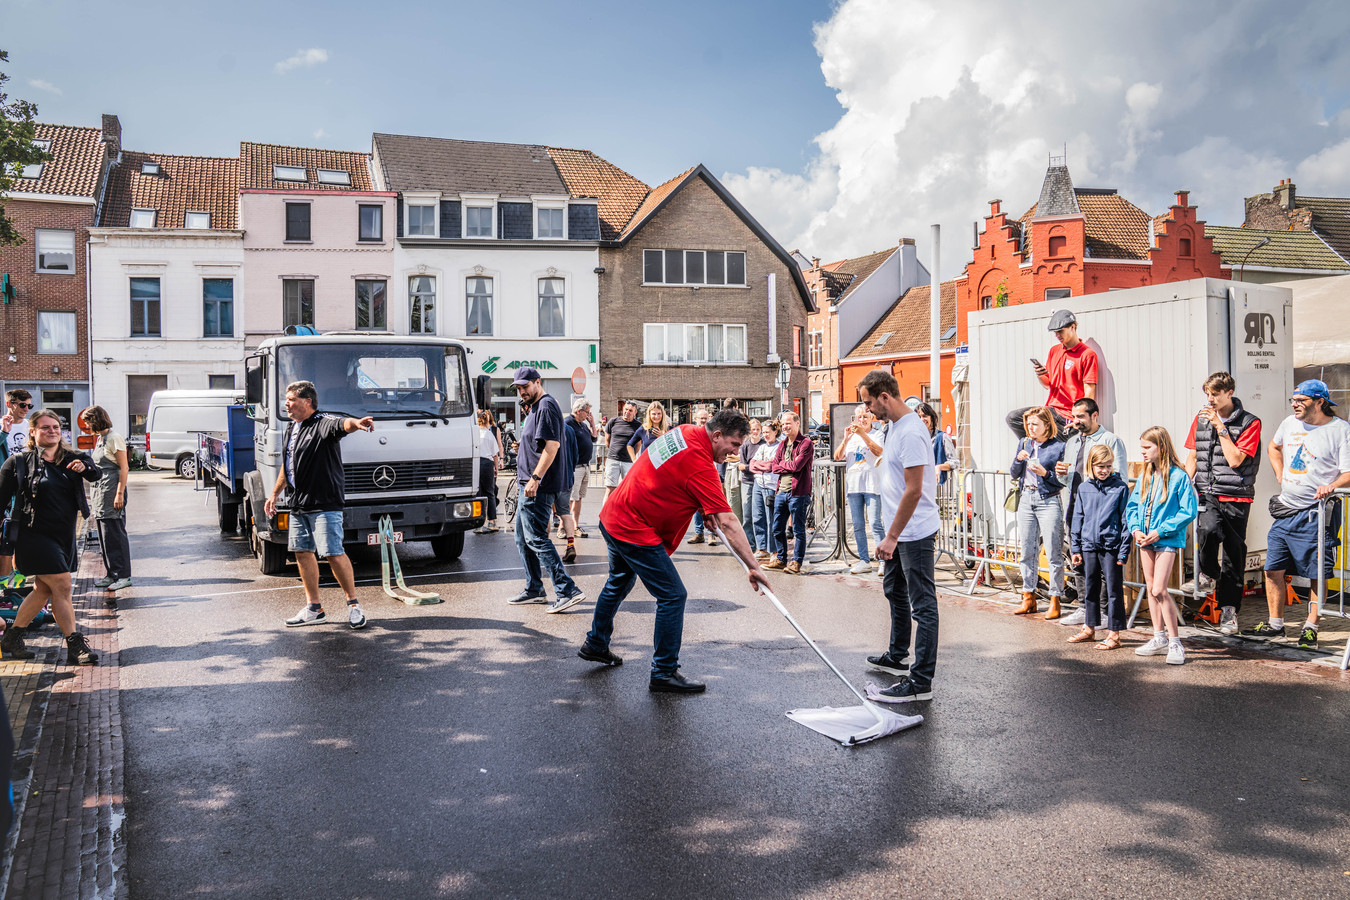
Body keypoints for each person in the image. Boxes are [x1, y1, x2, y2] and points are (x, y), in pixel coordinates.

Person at [578, 408, 769, 693]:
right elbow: (728, 520)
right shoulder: (700, 461)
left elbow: (672, 473)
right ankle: (664, 671)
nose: (734, 452)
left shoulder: (685, 431)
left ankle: (596, 642)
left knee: (619, 581)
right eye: (734, 445)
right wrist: (753, 565)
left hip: (616, 514)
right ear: (717, 436)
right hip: (633, 527)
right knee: (672, 594)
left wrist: (704, 505)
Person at [1242, 380, 1350, 650]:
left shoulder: (1339, 430)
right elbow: (1273, 447)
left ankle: (1311, 627)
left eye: (1301, 400)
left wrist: (1332, 485)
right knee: (1271, 569)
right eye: (1293, 399)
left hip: (1317, 514)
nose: (1294, 404)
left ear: (1320, 401)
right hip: (1286, 509)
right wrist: (1279, 473)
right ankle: (1276, 626)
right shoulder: (1289, 423)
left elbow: (1348, 472)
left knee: (1317, 574)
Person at [857, 370, 940, 702]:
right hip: (898, 530)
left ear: (885, 397)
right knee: (894, 590)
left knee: (923, 605)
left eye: (869, 403)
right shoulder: (892, 428)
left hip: (913, 531)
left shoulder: (910, 432)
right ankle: (897, 654)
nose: (869, 411)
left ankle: (920, 682)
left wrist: (890, 536)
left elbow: (914, 490)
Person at [265, 381, 374, 629]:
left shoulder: (323, 423)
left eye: (291, 398)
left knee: (333, 553)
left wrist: (356, 423)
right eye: (286, 398)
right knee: (302, 553)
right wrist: (274, 494)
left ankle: (354, 605)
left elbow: (342, 425)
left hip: (325, 503)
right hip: (298, 504)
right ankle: (314, 608)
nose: (287, 403)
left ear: (307, 401)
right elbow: (288, 465)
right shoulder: (291, 428)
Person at [0, 409, 102, 664]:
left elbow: (95, 473)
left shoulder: (73, 458)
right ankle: (75, 645)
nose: (52, 431)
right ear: (33, 432)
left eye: (55, 427)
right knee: (63, 585)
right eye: (45, 427)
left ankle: (12, 637)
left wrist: (85, 465)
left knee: (44, 589)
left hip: (64, 535)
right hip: (32, 535)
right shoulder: (19, 462)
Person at [1182, 372, 1261, 636]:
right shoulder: (1201, 419)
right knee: (1207, 531)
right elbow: (1192, 455)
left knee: (1234, 554)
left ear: (1230, 392)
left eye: (1215, 394)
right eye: (1207, 394)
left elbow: (1236, 459)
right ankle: (1208, 573)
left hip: (1237, 494)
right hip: (1209, 491)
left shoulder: (1250, 422)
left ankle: (1229, 610)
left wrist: (1221, 427)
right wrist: (1182, 484)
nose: (1210, 399)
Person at [507, 367, 586, 614]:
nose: (522, 392)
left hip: (537, 487)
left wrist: (535, 478)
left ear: (537, 383)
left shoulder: (546, 406)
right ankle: (534, 589)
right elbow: (541, 443)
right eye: (518, 388)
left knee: (536, 538)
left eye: (525, 387)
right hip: (527, 484)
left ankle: (567, 589)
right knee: (522, 538)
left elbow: (552, 446)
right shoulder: (534, 409)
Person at [1126, 426, 1198, 665]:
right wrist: (1136, 529)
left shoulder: (1178, 475)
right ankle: (1158, 638)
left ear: (1161, 446)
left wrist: (1160, 531)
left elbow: (1188, 511)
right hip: (1145, 539)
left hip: (1165, 539)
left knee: (1159, 589)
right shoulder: (1147, 474)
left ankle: (1175, 641)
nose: (1143, 452)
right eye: (1142, 448)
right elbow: (1133, 506)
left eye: (1147, 447)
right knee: (1150, 587)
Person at [1054, 397, 1128, 627]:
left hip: (1102, 509)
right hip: (1076, 502)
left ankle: (1104, 612)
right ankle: (1085, 609)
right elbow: (1067, 479)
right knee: (1079, 559)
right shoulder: (1072, 442)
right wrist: (1060, 473)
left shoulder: (1111, 440)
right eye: (1074, 417)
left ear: (1095, 415)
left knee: (1104, 566)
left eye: (1080, 417)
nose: (1075, 421)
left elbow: (1121, 476)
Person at [1068, 445, 1131, 649]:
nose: (1104, 470)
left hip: (1111, 546)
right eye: (1100, 466)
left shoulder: (1120, 488)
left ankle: (1114, 634)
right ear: (1091, 466)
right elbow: (1077, 518)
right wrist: (1075, 548)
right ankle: (1089, 628)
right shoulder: (1084, 488)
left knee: (1113, 591)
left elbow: (1125, 521)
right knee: (1090, 587)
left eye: (1108, 466)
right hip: (1088, 545)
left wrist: (1123, 550)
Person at [1009, 407, 1068, 619]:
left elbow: (1062, 480)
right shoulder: (1024, 443)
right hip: (1026, 498)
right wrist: (1018, 459)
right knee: (1027, 549)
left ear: (1046, 425)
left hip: (1049, 499)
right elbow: (1014, 473)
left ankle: (1055, 598)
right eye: (1028, 424)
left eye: (1035, 424)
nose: (1030, 428)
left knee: (1053, 551)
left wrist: (1046, 473)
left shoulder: (1059, 447)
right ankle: (1028, 596)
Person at [1007, 309, 1098, 439]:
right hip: (1051, 411)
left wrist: (1081, 418)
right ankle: (1032, 449)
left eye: (1060, 331)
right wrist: (1040, 374)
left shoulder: (1087, 354)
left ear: (1072, 327)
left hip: (1069, 415)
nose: (1057, 335)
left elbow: (1089, 391)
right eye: (1055, 332)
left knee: (1065, 453)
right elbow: (1048, 384)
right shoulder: (1054, 351)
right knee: (1014, 418)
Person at [83, 406, 133, 591]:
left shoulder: (114, 438)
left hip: (112, 492)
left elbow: (124, 468)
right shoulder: (100, 439)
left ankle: (123, 575)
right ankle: (111, 574)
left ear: (95, 420)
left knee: (115, 534)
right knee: (105, 536)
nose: (86, 425)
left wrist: (119, 493)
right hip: (100, 492)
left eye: (88, 421)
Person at [834, 404, 884, 575]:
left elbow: (879, 452)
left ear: (871, 419)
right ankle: (864, 560)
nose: (862, 420)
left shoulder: (877, 434)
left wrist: (863, 435)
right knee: (857, 525)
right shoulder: (852, 437)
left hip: (871, 484)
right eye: (859, 417)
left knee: (875, 523)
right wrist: (846, 439)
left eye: (865, 417)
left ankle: (883, 560)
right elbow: (838, 456)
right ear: (854, 419)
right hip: (854, 485)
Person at [767, 411, 814, 574]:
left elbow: (797, 466)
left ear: (797, 423)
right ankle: (781, 559)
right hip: (781, 491)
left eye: (788, 423)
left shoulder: (806, 443)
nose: (785, 426)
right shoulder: (782, 444)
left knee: (798, 530)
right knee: (777, 528)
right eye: (783, 423)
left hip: (798, 492)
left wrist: (783, 465)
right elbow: (774, 466)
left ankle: (796, 562)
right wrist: (787, 465)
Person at [0, 389, 34, 578]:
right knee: (6, 536)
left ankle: (19, 576)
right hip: (5, 485)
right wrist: (3, 433)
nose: (26, 409)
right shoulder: (1, 426)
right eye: (22, 405)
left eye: (29, 405)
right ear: (9, 404)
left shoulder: (31, 426)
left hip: (25, 485)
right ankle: (4, 583)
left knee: (21, 533)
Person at [684, 406, 721, 546]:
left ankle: (712, 535)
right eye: (701, 418)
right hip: (694, 473)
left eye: (706, 418)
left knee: (710, 505)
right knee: (696, 506)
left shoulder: (714, 434)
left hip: (709, 473)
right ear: (695, 419)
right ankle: (699, 533)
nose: (704, 421)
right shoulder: (691, 433)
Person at [566, 398, 598, 540]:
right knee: (571, 498)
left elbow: (594, 439)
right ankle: (566, 527)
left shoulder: (583, 425)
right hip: (575, 467)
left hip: (585, 466)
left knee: (578, 497)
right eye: (587, 412)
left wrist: (592, 424)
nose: (588, 415)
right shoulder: (568, 423)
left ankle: (575, 525)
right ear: (579, 411)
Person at [749, 419, 782, 559]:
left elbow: (771, 466)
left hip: (771, 486)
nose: (765, 435)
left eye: (768, 432)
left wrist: (760, 465)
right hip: (758, 483)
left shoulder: (779, 447)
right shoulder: (762, 447)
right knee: (757, 516)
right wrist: (762, 465)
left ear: (775, 432)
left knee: (771, 519)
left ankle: (774, 550)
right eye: (764, 432)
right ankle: (761, 548)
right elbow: (751, 465)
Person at [603, 401, 640, 504]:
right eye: (626, 409)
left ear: (635, 412)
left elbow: (638, 445)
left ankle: (624, 515)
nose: (627, 412)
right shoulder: (613, 421)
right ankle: (605, 516)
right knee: (610, 489)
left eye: (630, 410)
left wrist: (631, 456)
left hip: (628, 462)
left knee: (628, 490)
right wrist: (614, 451)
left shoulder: (637, 426)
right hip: (613, 460)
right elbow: (607, 440)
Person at [474, 409, 502, 534]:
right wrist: (496, 468)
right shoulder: (489, 434)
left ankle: (478, 524)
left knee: (478, 493)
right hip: (487, 464)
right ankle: (492, 522)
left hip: (475, 463)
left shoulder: (474, 434)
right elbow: (495, 454)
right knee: (490, 492)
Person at [737, 418, 763, 550]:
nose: (755, 432)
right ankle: (750, 544)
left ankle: (761, 545)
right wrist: (757, 466)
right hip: (747, 482)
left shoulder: (763, 444)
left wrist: (751, 466)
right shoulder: (746, 445)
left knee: (759, 515)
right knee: (747, 514)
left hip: (761, 482)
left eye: (758, 429)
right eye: (753, 429)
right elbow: (741, 466)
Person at [916, 403, 954, 486]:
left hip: (939, 490)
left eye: (924, 416)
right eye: (919, 417)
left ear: (931, 417)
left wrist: (939, 467)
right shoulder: (916, 439)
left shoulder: (943, 437)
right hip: (920, 488)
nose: (922, 419)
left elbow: (955, 462)